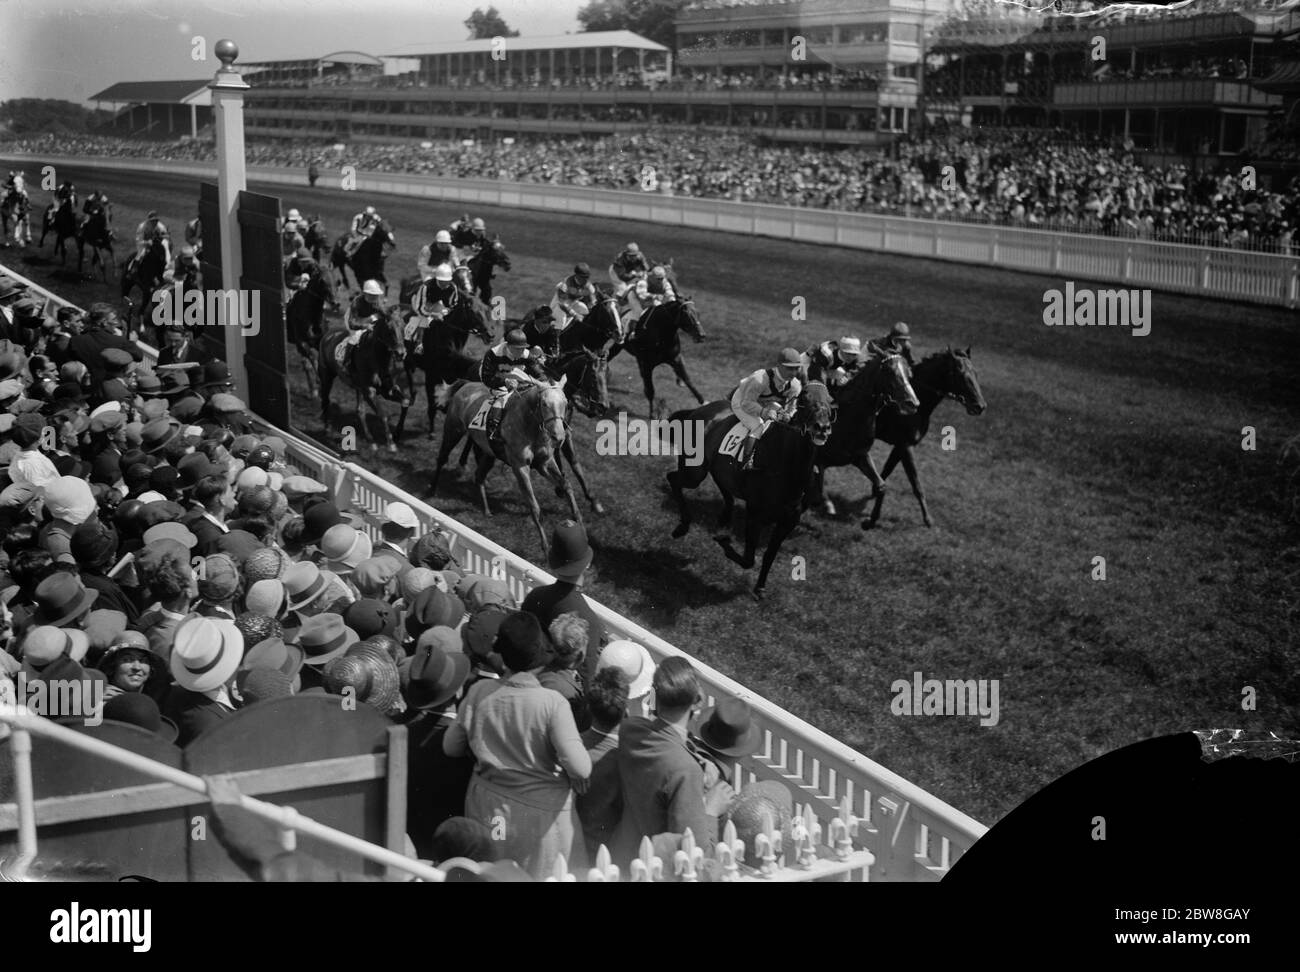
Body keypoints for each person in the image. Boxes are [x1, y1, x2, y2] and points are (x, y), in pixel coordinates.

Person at [442, 611, 592, 879]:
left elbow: (451, 747)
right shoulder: (552, 703)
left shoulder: (479, 691)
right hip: (539, 820)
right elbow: (581, 768)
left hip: (487, 809)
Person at [612, 657, 733, 866]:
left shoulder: (630, 729)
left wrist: (698, 759)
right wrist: (711, 811)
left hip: (621, 856)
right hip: (655, 869)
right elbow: (695, 854)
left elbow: (666, 737)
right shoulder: (685, 770)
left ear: (654, 696)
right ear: (698, 701)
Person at [520, 520, 608, 686]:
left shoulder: (534, 597)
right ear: (587, 564)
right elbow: (587, 679)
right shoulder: (589, 621)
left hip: (527, 681)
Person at [577, 666, 629, 859]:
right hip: (606, 856)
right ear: (625, 710)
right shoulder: (628, 759)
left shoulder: (569, 746)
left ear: (589, 707)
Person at [729, 347, 804, 472]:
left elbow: (792, 408)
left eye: (796, 368)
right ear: (779, 365)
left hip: (765, 401)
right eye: (789, 368)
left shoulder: (795, 385)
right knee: (757, 425)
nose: (793, 372)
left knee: (787, 424)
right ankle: (745, 463)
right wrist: (764, 412)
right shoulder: (760, 378)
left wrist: (788, 415)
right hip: (741, 400)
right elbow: (747, 403)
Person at [477, 328, 546, 447]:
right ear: (508, 346)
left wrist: (543, 381)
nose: (522, 351)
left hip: (514, 377)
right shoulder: (493, 354)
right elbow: (487, 378)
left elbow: (538, 373)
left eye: (523, 348)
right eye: (518, 349)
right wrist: (505, 382)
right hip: (494, 378)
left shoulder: (526, 355)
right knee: (502, 397)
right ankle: (493, 430)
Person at [409, 264, 461, 347]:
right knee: (424, 320)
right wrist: (433, 315)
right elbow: (419, 308)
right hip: (419, 302)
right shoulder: (426, 287)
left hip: (435, 302)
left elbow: (453, 305)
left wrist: (447, 311)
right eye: (442, 281)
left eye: (447, 281)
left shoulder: (452, 287)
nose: (444, 284)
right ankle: (419, 344)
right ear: (437, 278)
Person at [628, 265, 676, 344]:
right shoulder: (643, 281)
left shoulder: (665, 282)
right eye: (658, 279)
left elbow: (670, 294)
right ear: (652, 277)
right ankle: (632, 333)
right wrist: (655, 296)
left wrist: (673, 303)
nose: (660, 281)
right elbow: (641, 295)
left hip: (651, 298)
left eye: (662, 278)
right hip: (635, 297)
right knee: (638, 311)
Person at [343, 279, 386, 353]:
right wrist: (365, 326)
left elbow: (384, 315)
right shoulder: (357, 302)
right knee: (354, 338)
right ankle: (347, 360)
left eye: (376, 295)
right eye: (372, 295)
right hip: (354, 319)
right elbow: (352, 324)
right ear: (365, 293)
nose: (374, 297)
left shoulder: (377, 301)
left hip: (368, 318)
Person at [550, 263, 597, 330]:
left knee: (585, 310)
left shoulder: (588, 285)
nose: (586, 280)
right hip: (558, 305)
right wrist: (575, 315)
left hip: (573, 303)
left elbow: (593, 298)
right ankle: (555, 338)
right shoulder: (566, 284)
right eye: (583, 277)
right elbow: (562, 304)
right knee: (561, 322)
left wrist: (592, 303)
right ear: (577, 276)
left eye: (587, 277)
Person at [609, 242, 651, 317]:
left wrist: (644, 272)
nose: (633, 258)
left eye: (635, 255)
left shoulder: (640, 256)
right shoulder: (620, 260)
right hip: (616, 273)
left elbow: (647, 269)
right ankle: (615, 307)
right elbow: (623, 277)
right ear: (627, 254)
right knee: (623, 289)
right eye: (631, 256)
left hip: (628, 271)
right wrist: (635, 274)